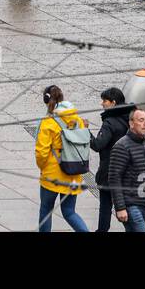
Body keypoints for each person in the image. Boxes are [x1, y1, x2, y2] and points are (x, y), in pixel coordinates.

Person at [35, 85, 91, 232]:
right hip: (73, 171)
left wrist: (42, 168)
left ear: (46, 100)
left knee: (46, 210)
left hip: (52, 174)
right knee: (69, 212)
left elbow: (41, 152)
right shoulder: (76, 119)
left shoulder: (48, 122)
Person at [89, 88, 133, 232]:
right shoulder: (130, 118)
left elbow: (97, 145)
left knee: (105, 207)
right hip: (127, 171)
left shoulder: (110, 122)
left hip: (109, 172)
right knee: (129, 206)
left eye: (105, 101)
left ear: (113, 103)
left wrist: (85, 132)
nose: (102, 104)